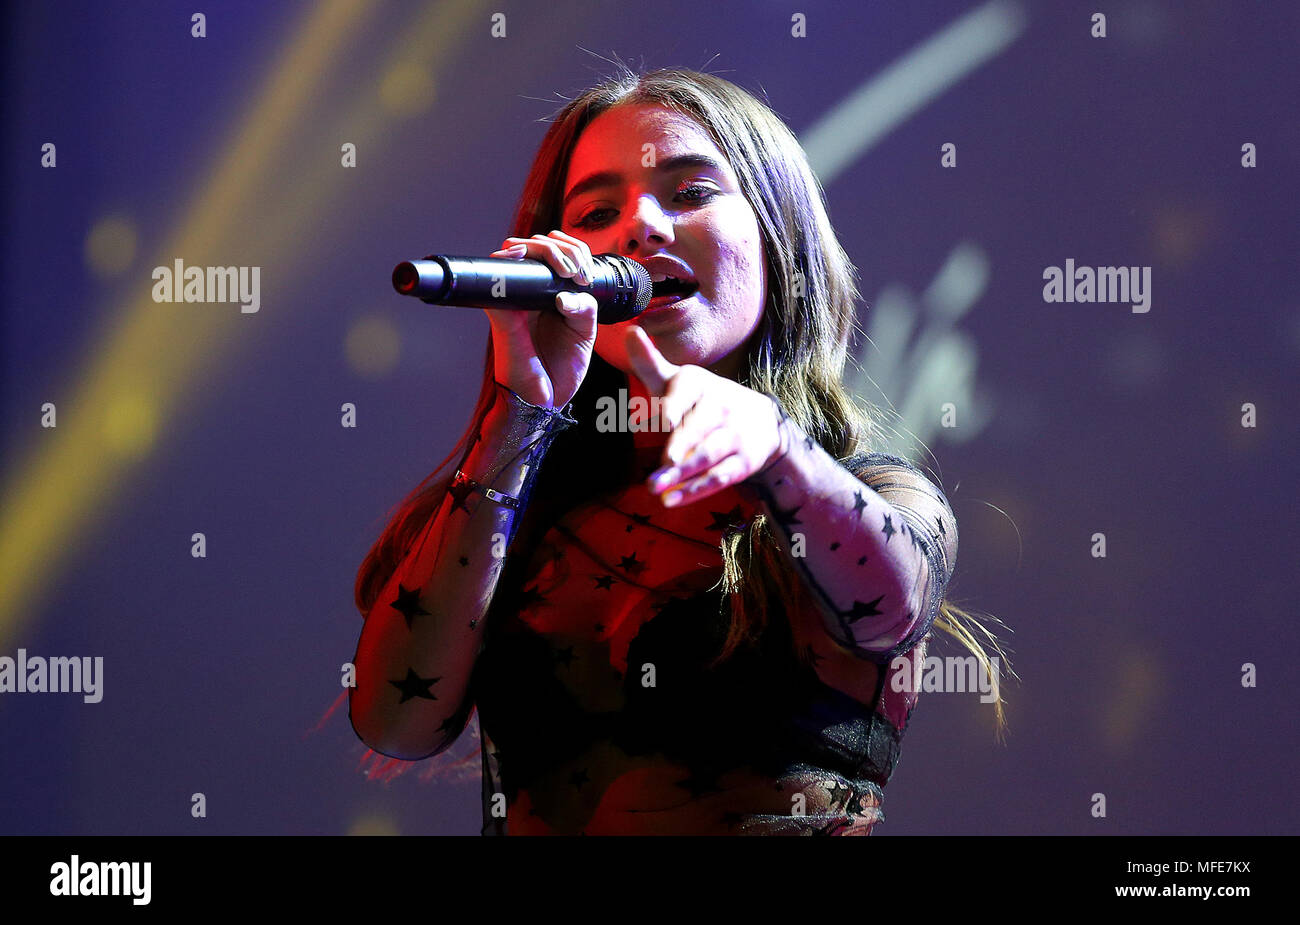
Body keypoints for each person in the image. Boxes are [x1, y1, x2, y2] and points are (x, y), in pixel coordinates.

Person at [348, 65, 1007, 835]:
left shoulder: (876, 494)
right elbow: (394, 719)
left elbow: (890, 604)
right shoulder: (512, 507)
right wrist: (517, 415)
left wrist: (777, 447)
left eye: (691, 192)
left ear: (778, 238)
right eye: (596, 210)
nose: (640, 227)